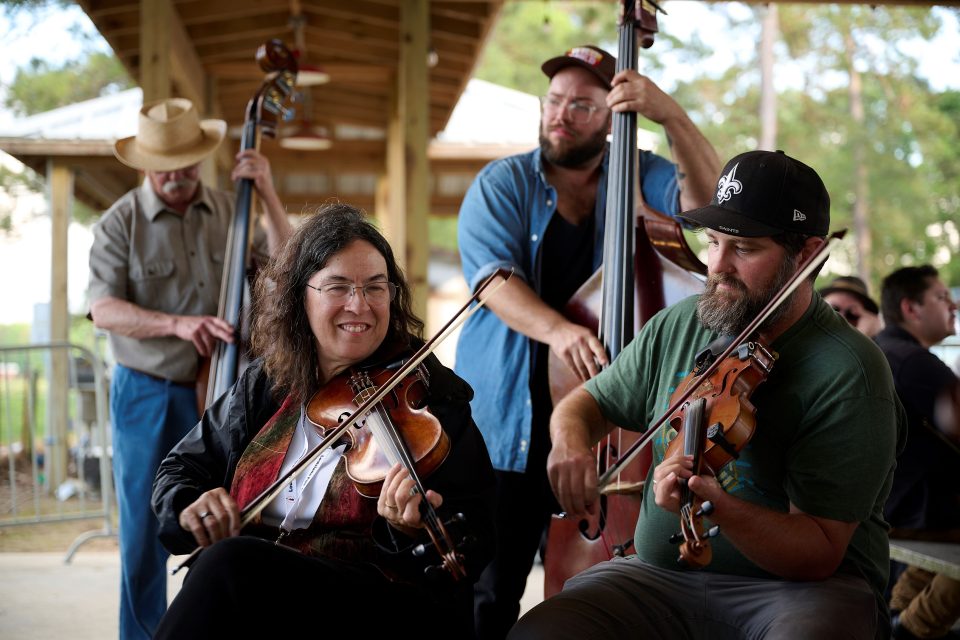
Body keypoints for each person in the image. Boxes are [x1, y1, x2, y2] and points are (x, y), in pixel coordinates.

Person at [509, 149, 906, 639]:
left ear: (806, 255)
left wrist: (713, 503)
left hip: (798, 591)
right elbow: (588, 402)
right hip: (659, 576)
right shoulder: (681, 323)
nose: (716, 265)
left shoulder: (850, 371)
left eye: (744, 248)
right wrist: (569, 443)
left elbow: (818, 552)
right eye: (713, 241)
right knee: (542, 631)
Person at [454, 44, 721, 639]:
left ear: (610, 116)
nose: (560, 115)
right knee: (489, 592)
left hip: (615, 426)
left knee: (606, 604)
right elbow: (493, 283)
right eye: (553, 102)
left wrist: (671, 115)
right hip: (510, 422)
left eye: (581, 105)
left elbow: (709, 209)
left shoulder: (642, 173)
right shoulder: (504, 183)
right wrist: (562, 330)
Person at [150, 204, 496, 639]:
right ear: (301, 296)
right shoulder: (268, 383)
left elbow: (477, 534)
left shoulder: (431, 397)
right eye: (338, 287)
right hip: (260, 587)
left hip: (373, 603)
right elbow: (182, 468)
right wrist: (189, 506)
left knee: (227, 565)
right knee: (223, 569)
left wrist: (405, 532)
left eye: (375, 287)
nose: (360, 305)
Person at [87, 97, 292, 640]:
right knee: (145, 534)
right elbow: (103, 309)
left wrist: (266, 191)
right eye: (164, 164)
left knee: (224, 522)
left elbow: (290, 263)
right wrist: (177, 325)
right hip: (147, 391)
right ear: (144, 163)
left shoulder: (231, 208)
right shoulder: (119, 223)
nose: (177, 175)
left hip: (222, 392)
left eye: (186, 161)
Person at [875, 265, 960, 640]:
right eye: (942, 297)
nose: (953, 304)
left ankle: (896, 616)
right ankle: (913, 631)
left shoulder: (879, 349)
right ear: (912, 308)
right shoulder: (912, 361)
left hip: (888, 505)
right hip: (918, 510)